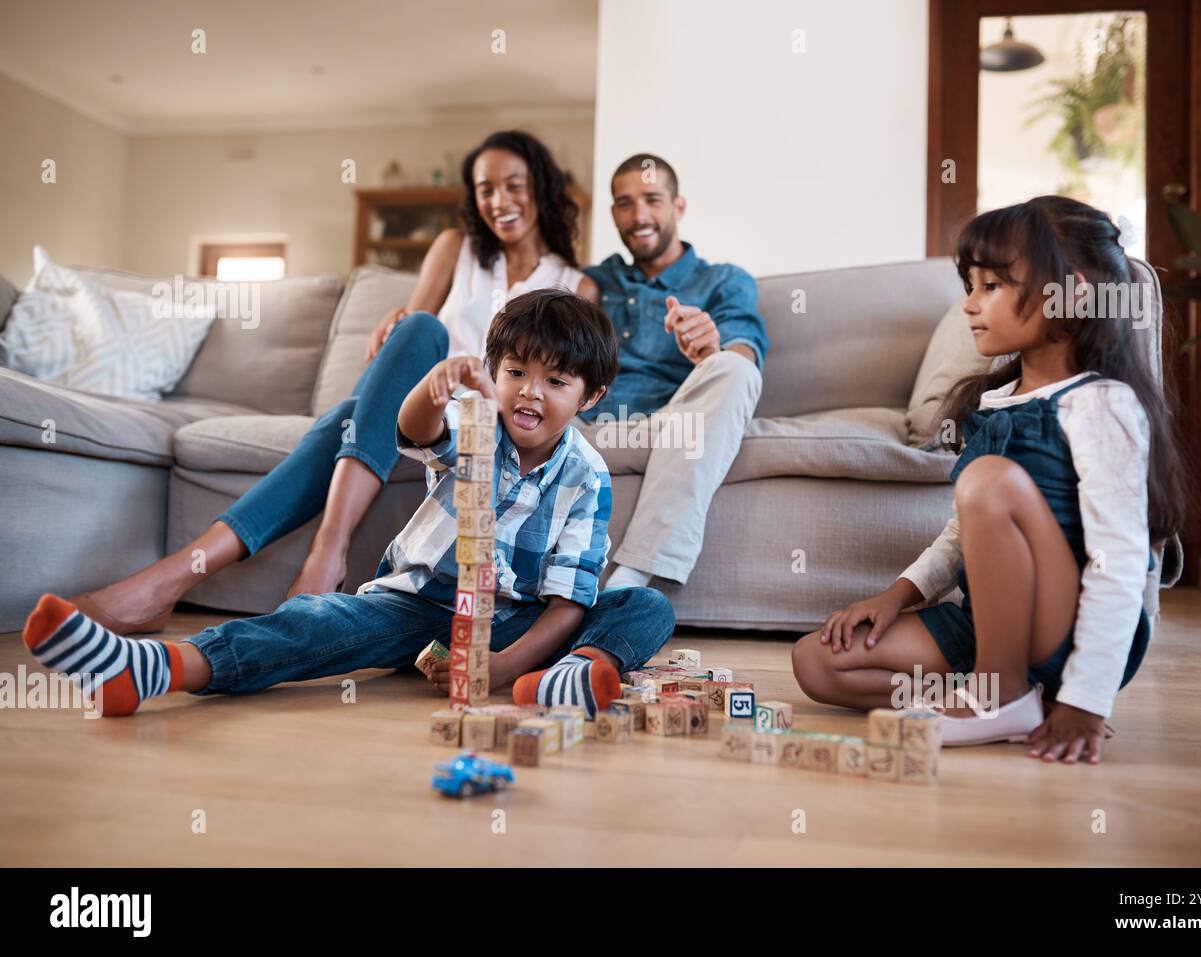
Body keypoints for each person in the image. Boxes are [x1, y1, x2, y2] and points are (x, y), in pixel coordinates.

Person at [22, 290, 675, 718]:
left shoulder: (587, 477)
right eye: (515, 374)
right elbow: (417, 431)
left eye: (556, 382)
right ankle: (158, 667)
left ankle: (575, 674)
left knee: (644, 604)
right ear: (494, 371)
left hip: (515, 622)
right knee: (316, 622)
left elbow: (567, 602)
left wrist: (508, 664)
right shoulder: (480, 427)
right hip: (415, 605)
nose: (530, 394)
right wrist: (433, 384)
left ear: (591, 396)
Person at [74, 130, 597, 634]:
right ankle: (325, 553)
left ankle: (179, 578)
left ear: (542, 188)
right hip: (419, 403)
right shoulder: (454, 246)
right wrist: (400, 326)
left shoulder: (576, 286)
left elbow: (564, 390)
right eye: (485, 188)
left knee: (347, 420)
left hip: (485, 423)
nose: (499, 199)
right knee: (418, 327)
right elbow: (410, 339)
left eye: (514, 184)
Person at [791, 196, 1186, 765]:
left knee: (989, 481)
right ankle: (1008, 699)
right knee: (817, 662)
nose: (970, 306)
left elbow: (1119, 562)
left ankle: (1000, 694)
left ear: (1070, 294)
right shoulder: (997, 401)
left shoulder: (1102, 403)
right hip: (987, 627)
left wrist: (1087, 700)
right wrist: (896, 595)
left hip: (1067, 629)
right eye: (969, 286)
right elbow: (962, 532)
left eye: (992, 286)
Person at [580, 154, 769, 590]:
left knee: (734, 371)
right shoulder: (599, 280)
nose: (639, 215)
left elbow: (746, 353)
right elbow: (558, 343)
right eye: (625, 203)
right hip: (593, 427)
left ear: (678, 206)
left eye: (652, 199)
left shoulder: (724, 280)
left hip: (676, 430)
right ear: (613, 214)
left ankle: (631, 576)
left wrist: (713, 350)